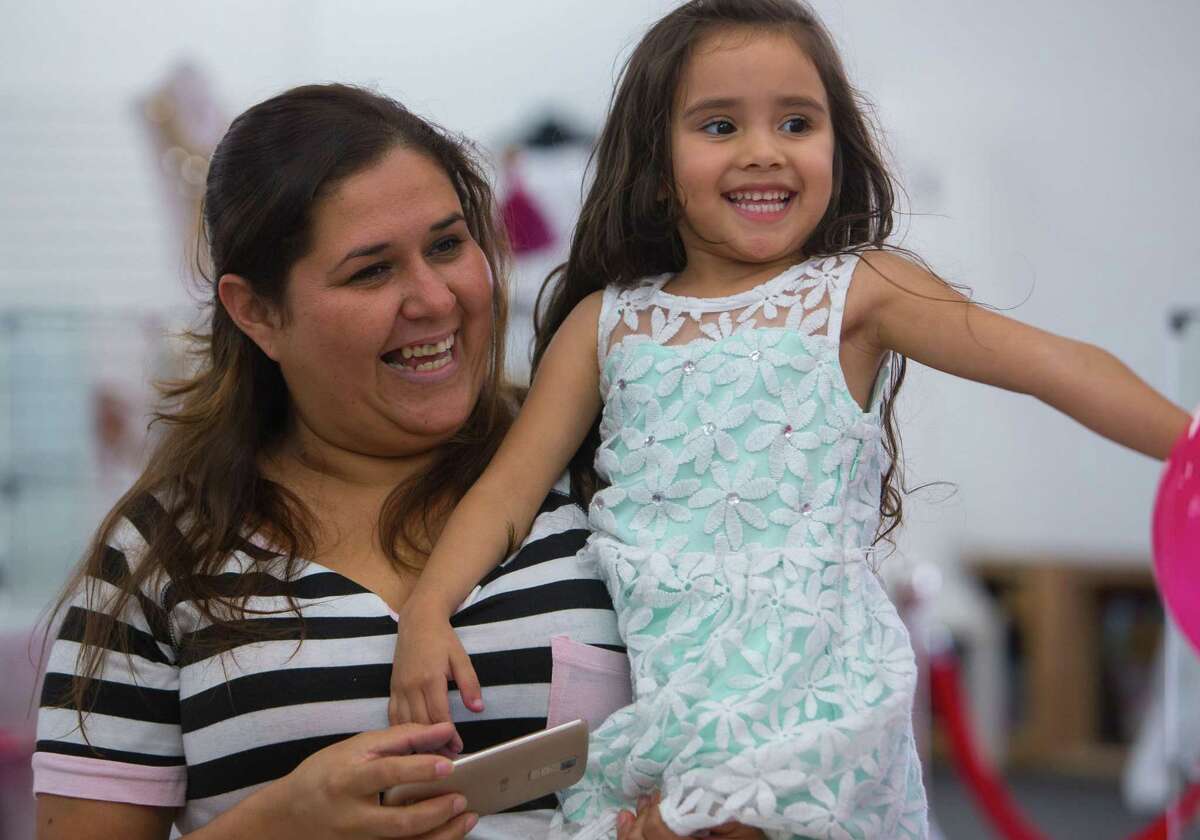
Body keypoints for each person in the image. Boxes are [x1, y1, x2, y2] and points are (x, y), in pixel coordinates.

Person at [387, 0, 1194, 837]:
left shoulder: (862, 292)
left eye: (797, 121)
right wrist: (428, 611)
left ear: (836, 148)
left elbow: (1054, 367)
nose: (763, 151)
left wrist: (1191, 445)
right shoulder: (608, 322)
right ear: (657, 164)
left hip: (821, 708)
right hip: (675, 713)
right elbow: (508, 493)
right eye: (719, 124)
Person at [31, 83, 626, 840]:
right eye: (371, 271)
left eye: (447, 244)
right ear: (257, 312)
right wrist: (279, 826)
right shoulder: (164, 551)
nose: (433, 298)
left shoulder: (601, 472)